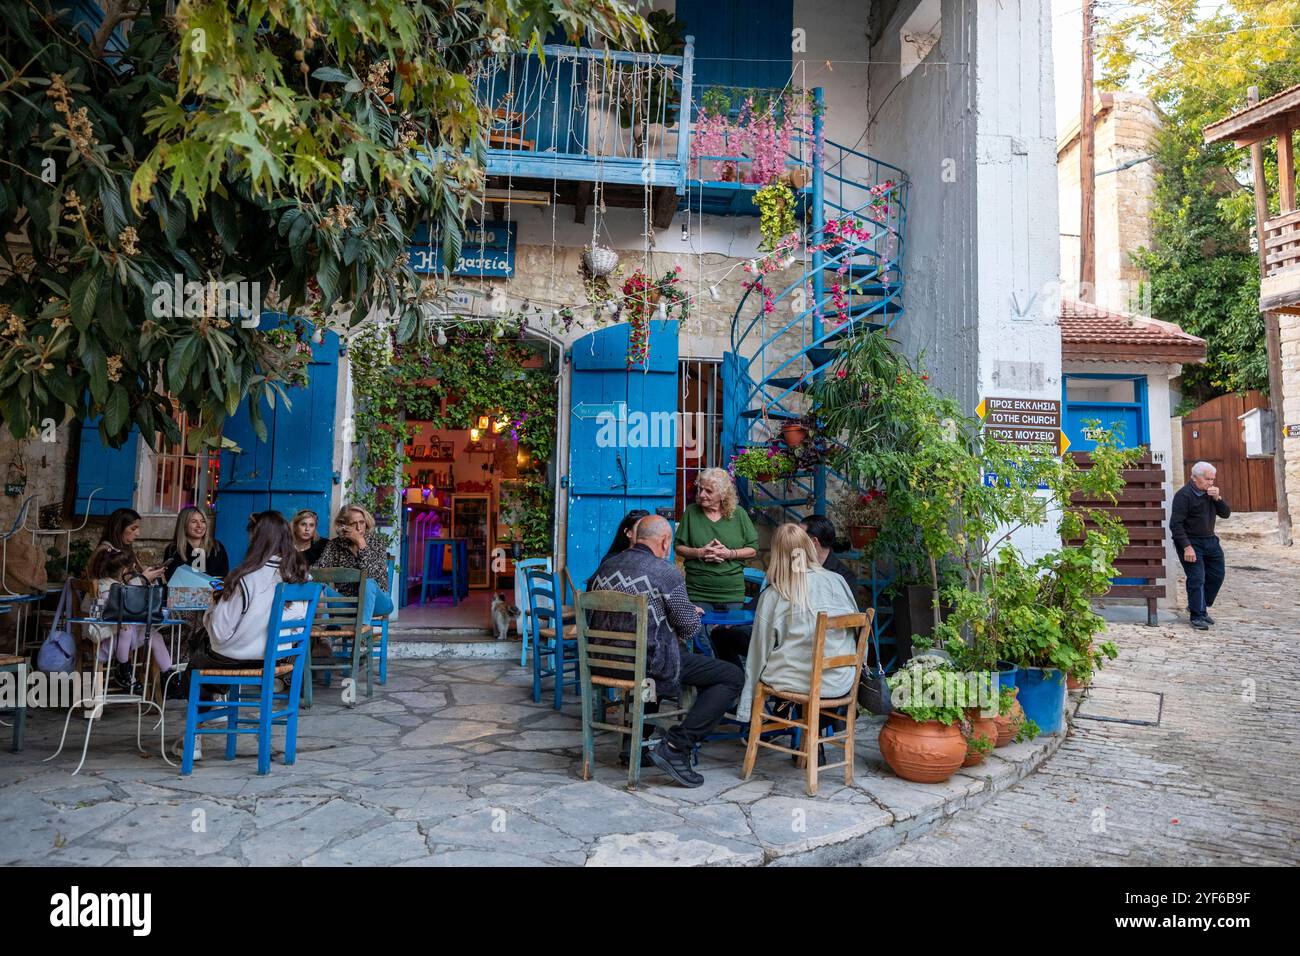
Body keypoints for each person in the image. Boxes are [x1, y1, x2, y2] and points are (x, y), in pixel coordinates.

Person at [588, 515, 743, 788]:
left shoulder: (605, 567)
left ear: (635, 537)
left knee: (653, 649)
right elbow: (689, 629)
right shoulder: (664, 571)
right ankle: (676, 745)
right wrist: (687, 614)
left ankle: (634, 746)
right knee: (730, 676)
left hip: (601, 663)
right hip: (646, 665)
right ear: (664, 541)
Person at [179, 512, 312, 758]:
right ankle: (216, 697)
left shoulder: (246, 578)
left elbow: (220, 634)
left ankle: (195, 735)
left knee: (198, 654)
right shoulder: (301, 576)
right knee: (204, 648)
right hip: (280, 658)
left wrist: (212, 606)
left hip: (240, 658)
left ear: (257, 539)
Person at [737, 523, 860, 724]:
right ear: (809, 546)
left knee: (770, 662)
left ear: (777, 554)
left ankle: (779, 722)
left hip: (799, 683)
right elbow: (854, 633)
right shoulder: (838, 581)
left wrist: (745, 707)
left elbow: (758, 653)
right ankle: (807, 736)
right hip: (840, 680)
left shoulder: (775, 593)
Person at [673, 468, 758, 651]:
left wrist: (729, 554)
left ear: (723, 494)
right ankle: (707, 674)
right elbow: (678, 547)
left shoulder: (739, 514)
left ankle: (731, 676)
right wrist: (700, 553)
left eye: (708, 491)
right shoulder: (691, 513)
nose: (702, 495)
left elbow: (753, 549)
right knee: (699, 639)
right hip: (698, 591)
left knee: (729, 638)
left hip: (731, 592)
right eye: (700, 489)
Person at [85, 547, 177, 695]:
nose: (134, 571)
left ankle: (169, 675)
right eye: (131, 568)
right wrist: (141, 580)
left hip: (129, 636)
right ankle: (123, 669)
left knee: (156, 637)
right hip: (109, 641)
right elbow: (114, 604)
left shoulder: (122, 584)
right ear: (123, 572)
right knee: (125, 628)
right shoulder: (105, 585)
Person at [1170, 460, 1231, 630]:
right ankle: (1197, 615)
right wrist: (1186, 547)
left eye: (1213, 479)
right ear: (1195, 478)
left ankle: (1200, 605)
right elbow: (1176, 525)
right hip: (1191, 541)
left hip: (1210, 540)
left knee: (1217, 574)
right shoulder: (1184, 495)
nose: (1211, 483)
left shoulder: (1211, 494)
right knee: (1197, 577)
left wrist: (1218, 498)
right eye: (1207, 479)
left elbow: (1226, 514)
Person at [313, 504, 394, 618]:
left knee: (368, 582)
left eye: (362, 522)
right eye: (353, 524)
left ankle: (361, 629)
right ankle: (325, 630)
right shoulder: (334, 545)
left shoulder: (377, 543)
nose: (359, 528)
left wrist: (361, 543)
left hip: (378, 603)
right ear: (343, 525)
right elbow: (318, 571)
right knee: (317, 587)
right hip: (348, 603)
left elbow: (372, 575)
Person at [800, 515, 859, 605]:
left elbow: (848, 614)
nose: (794, 540)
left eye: (798, 537)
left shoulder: (845, 577)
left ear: (814, 542)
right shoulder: (797, 566)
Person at [586, 508, 650, 589]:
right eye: (640, 528)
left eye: (647, 528)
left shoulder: (657, 562)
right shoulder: (610, 561)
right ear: (628, 533)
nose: (645, 532)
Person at [162, 506, 229, 579]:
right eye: (194, 522)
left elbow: (223, 576)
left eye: (203, 521)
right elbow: (170, 577)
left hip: (213, 590)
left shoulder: (217, 547)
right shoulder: (173, 549)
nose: (199, 525)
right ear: (183, 524)